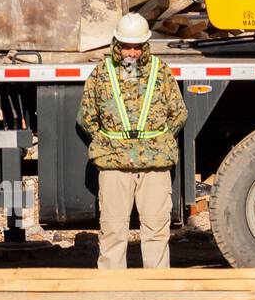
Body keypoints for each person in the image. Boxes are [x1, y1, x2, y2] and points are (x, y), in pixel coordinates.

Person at [78, 13, 187, 269]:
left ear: (145, 46)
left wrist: (155, 143)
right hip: (114, 163)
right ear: (117, 44)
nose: (132, 52)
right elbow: (86, 116)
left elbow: (178, 113)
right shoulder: (102, 73)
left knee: (156, 231)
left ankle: (157, 295)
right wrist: (112, 143)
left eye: (137, 47)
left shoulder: (161, 72)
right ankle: (114, 294)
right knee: (113, 231)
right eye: (127, 46)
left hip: (155, 164)